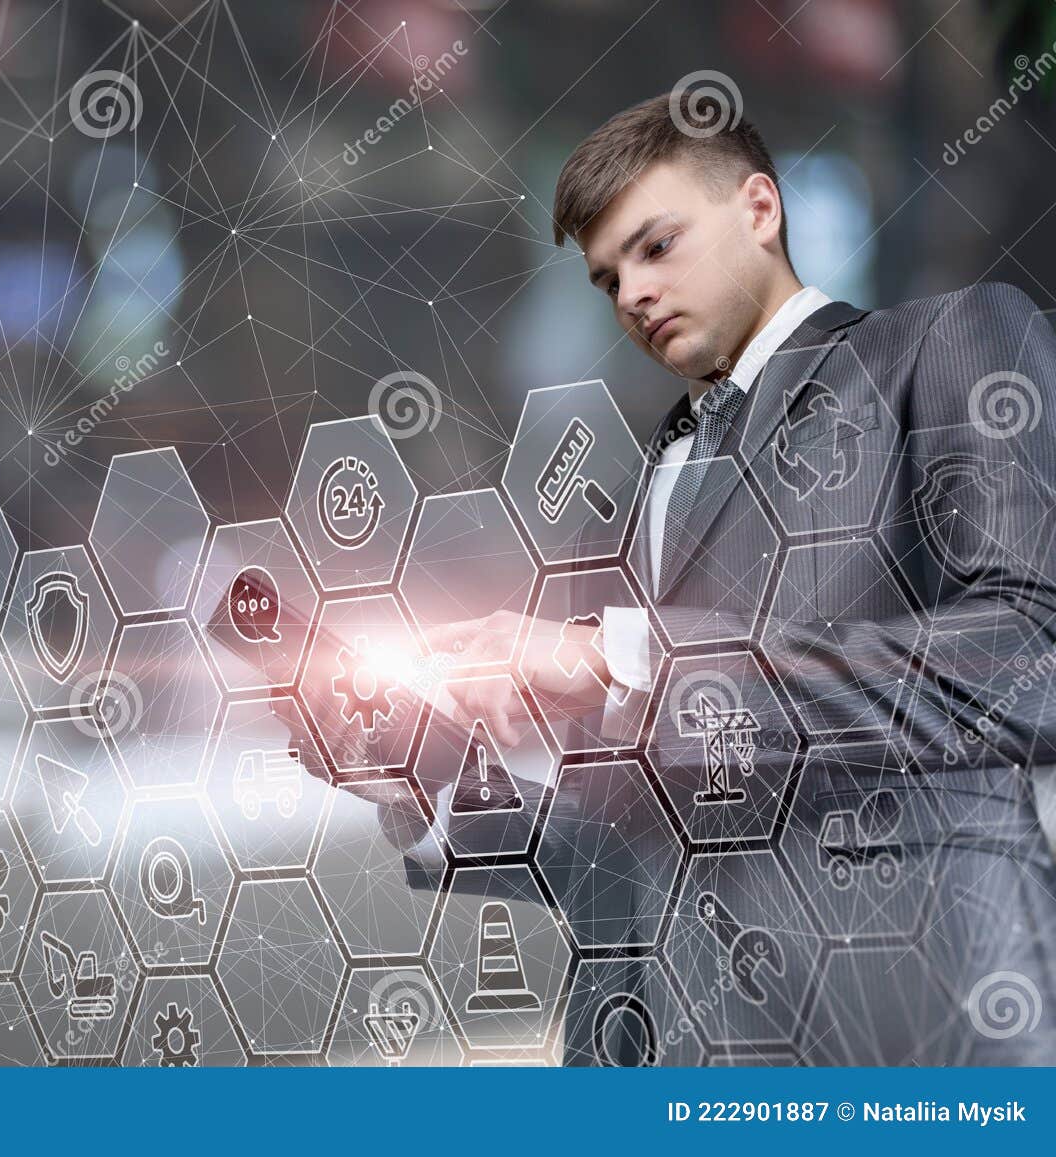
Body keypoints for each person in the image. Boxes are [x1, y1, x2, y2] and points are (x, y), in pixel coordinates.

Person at [424, 88, 1056, 1064]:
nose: (631, 291)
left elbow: (1031, 656)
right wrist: (422, 766)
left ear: (760, 208)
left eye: (656, 245)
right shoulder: (653, 477)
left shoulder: (946, 344)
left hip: (911, 1021)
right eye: (606, 277)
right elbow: (636, 828)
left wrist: (627, 658)